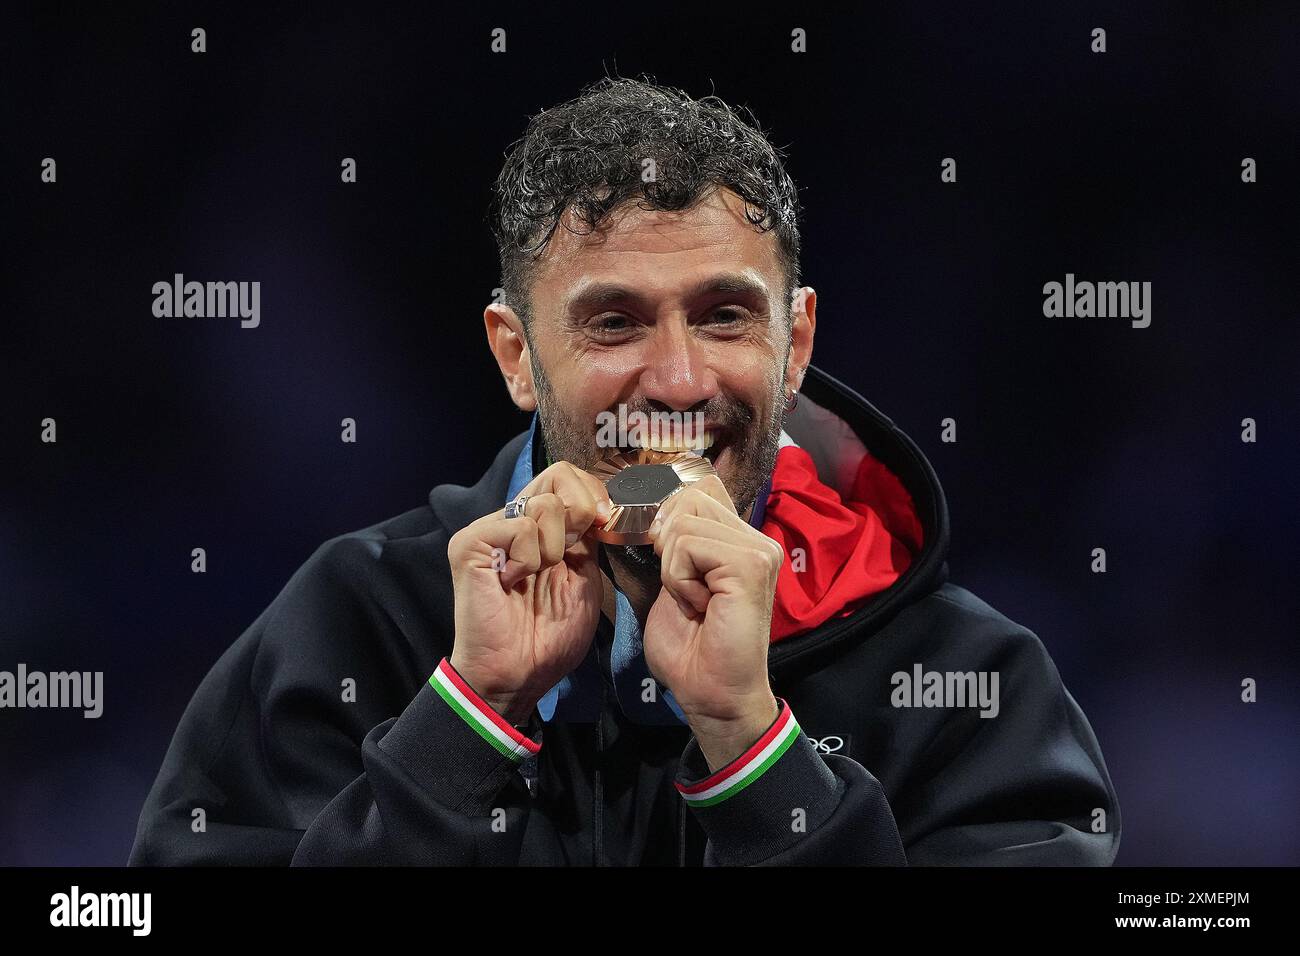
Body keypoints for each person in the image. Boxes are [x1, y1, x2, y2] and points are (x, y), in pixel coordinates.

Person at [129, 76, 1120, 866]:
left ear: (796, 344)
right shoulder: (356, 624)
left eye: (724, 316)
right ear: (516, 355)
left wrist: (750, 744)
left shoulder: (964, 684)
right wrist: (467, 721)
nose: (680, 379)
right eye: (614, 322)